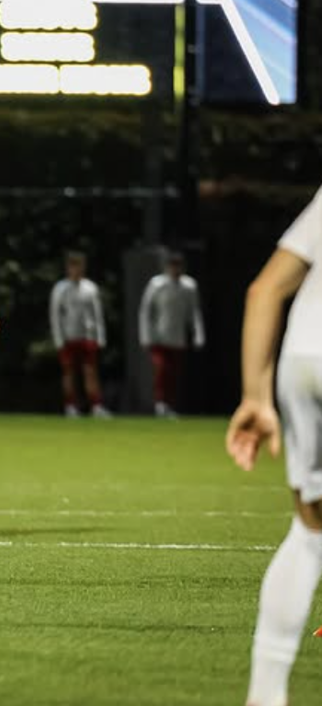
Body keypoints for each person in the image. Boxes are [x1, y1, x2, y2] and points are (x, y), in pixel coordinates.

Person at [225, 184, 322, 706]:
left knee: (310, 534)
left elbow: (263, 291)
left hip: (304, 358)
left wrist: (255, 397)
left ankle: (265, 697)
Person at [138, 251, 206, 417]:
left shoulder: (189, 286)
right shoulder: (156, 284)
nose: (175, 269)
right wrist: (146, 336)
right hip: (158, 337)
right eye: (172, 265)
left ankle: (169, 404)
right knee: (161, 370)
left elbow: (194, 312)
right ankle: (160, 403)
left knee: (174, 373)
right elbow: (146, 310)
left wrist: (198, 334)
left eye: (178, 266)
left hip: (178, 337)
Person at [48, 251, 111, 418]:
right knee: (69, 373)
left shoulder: (90, 287)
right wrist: (58, 339)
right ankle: (70, 406)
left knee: (90, 372)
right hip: (68, 336)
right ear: (68, 268)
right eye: (73, 266)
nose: (76, 270)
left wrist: (100, 336)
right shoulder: (60, 288)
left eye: (79, 266)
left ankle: (96, 405)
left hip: (87, 336)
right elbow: (55, 315)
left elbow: (96, 314)